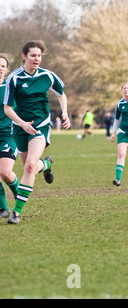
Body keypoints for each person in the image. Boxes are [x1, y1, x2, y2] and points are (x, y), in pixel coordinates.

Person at [3, 40, 71, 224]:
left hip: (41, 126)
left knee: (30, 167)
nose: (37, 59)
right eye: (33, 55)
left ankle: (16, 212)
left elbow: (61, 94)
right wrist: (22, 123)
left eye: (39, 55)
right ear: (24, 56)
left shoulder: (48, 76)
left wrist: (64, 113)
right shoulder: (14, 78)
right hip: (19, 128)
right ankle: (47, 165)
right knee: (30, 168)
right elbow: (8, 108)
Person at [0, 53, 19, 219]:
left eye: (2, 66)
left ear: (6, 70)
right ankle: (3, 208)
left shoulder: (10, 87)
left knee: (5, 173)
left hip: (9, 135)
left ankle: (19, 195)